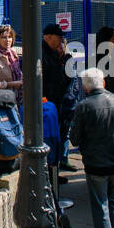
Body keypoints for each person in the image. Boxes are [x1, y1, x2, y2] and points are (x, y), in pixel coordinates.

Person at [68, 67, 114, 228]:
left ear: (85, 88)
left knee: (101, 206)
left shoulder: (83, 107)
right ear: (103, 82)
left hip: (95, 164)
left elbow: (75, 138)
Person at [42, 24, 77, 170]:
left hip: (59, 102)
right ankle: (50, 171)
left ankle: (55, 170)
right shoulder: (41, 53)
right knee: (49, 137)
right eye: (59, 37)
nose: (61, 41)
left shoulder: (54, 54)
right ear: (49, 37)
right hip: (48, 103)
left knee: (58, 136)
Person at [0, 24, 24, 98]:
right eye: (4, 37)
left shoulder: (13, 52)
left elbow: (18, 71)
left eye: (9, 37)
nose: (7, 40)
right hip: (3, 98)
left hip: (18, 96)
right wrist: (12, 84)